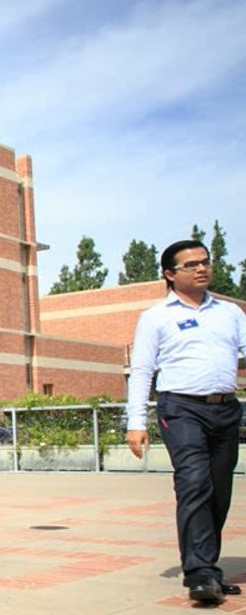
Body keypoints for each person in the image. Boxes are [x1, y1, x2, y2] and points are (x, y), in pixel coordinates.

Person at [126, 239, 246, 605]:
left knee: (219, 490)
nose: (201, 268)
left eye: (205, 262)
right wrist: (136, 422)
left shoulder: (231, 314)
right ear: (169, 274)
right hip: (180, 409)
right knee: (194, 482)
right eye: (191, 264)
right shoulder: (157, 317)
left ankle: (206, 564)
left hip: (226, 409)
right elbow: (143, 369)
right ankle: (199, 574)